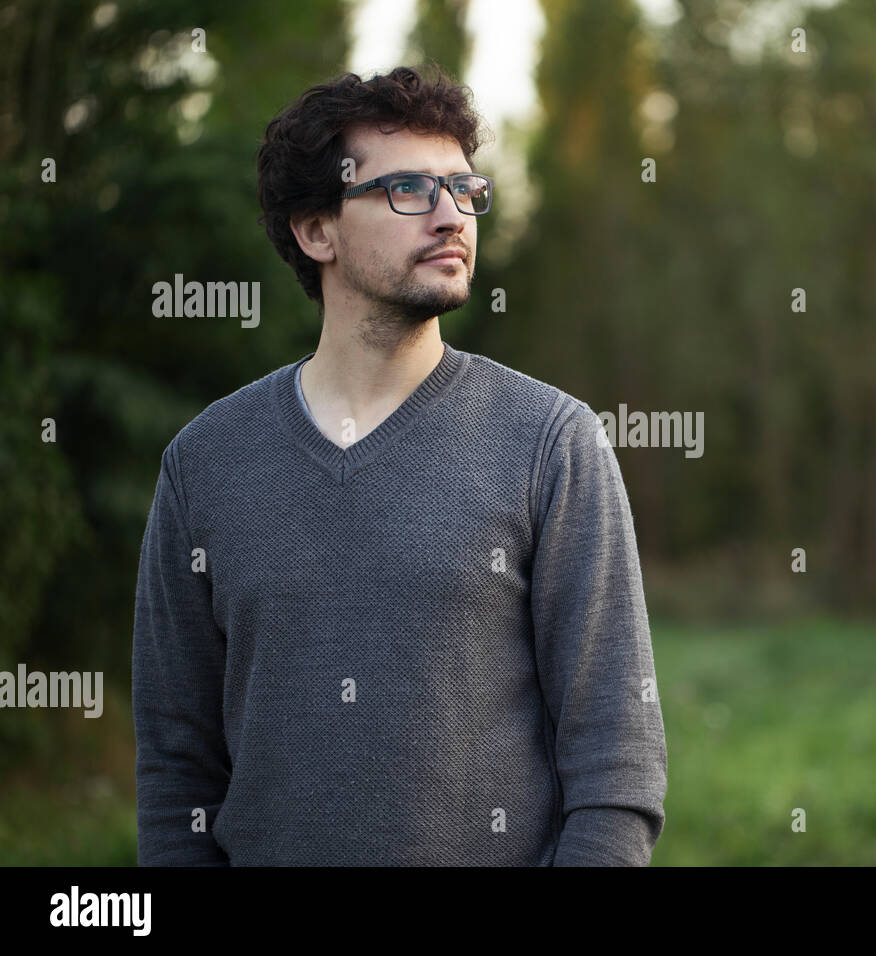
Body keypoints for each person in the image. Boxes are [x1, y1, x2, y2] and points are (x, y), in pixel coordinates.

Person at [131, 65, 668, 866]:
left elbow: (616, 766)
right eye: (409, 190)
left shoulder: (552, 442)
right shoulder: (205, 464)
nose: (452, 215)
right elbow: (178, 774)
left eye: (464, 189)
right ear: (318, 230)